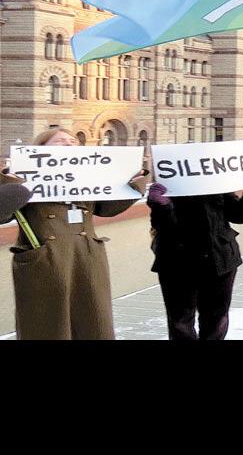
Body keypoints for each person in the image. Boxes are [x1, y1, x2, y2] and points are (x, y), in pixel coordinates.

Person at [1, 128, 148, 339]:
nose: (69, 144)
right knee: (47, 321)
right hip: (44, 257)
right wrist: (13, 185)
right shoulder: (22, 175)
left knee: (92, 317)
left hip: (85, 254)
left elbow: (106, 209)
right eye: (60, 141)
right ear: (40, 149)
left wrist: (135, 185)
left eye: (73, 141)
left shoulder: (89, 175)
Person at [147, 177, 243, 340]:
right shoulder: (169, 180)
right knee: (180, 322)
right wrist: (162, 206)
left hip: (220, 259)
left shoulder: (214, 179)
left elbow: (238, 215)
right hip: (177, 261)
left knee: (216, 319)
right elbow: (162, 226)